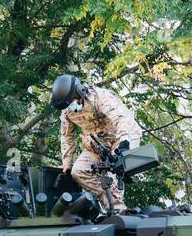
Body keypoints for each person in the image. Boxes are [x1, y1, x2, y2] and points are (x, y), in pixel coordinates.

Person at [51, 74, 142, 213]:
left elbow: (122, 119)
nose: (70, 107)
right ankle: (111, 205)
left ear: (79, 92)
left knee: (115, 169)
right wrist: (67, 162)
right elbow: (67, 135)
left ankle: (119, 211)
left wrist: (124, 144)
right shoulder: (67, 112)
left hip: (123, 136)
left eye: (72, 102)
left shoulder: (101, 97)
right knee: (78, 171)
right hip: (97, 145)